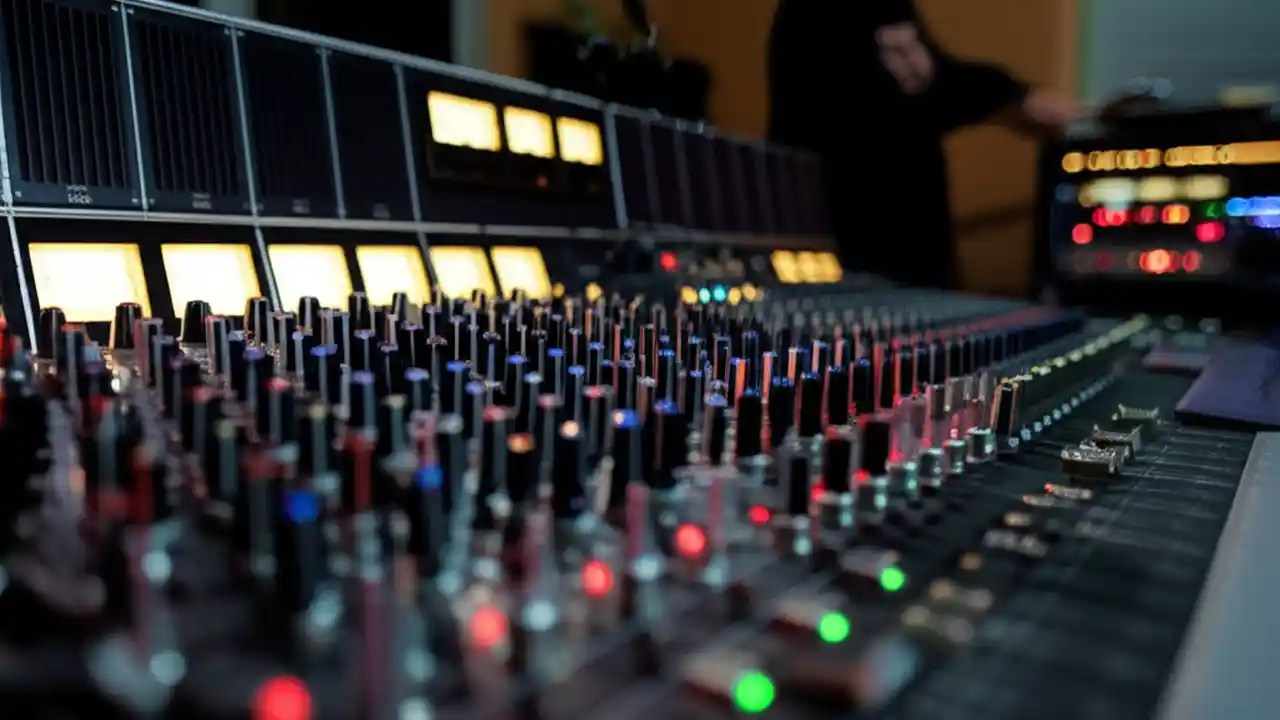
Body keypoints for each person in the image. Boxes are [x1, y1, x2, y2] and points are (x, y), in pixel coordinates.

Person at [768, 0, 1081, 288]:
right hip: (858, 264)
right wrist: (1015, 96)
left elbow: (930, 77)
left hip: (905, 270)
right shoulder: (819, 13)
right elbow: (902, 97)